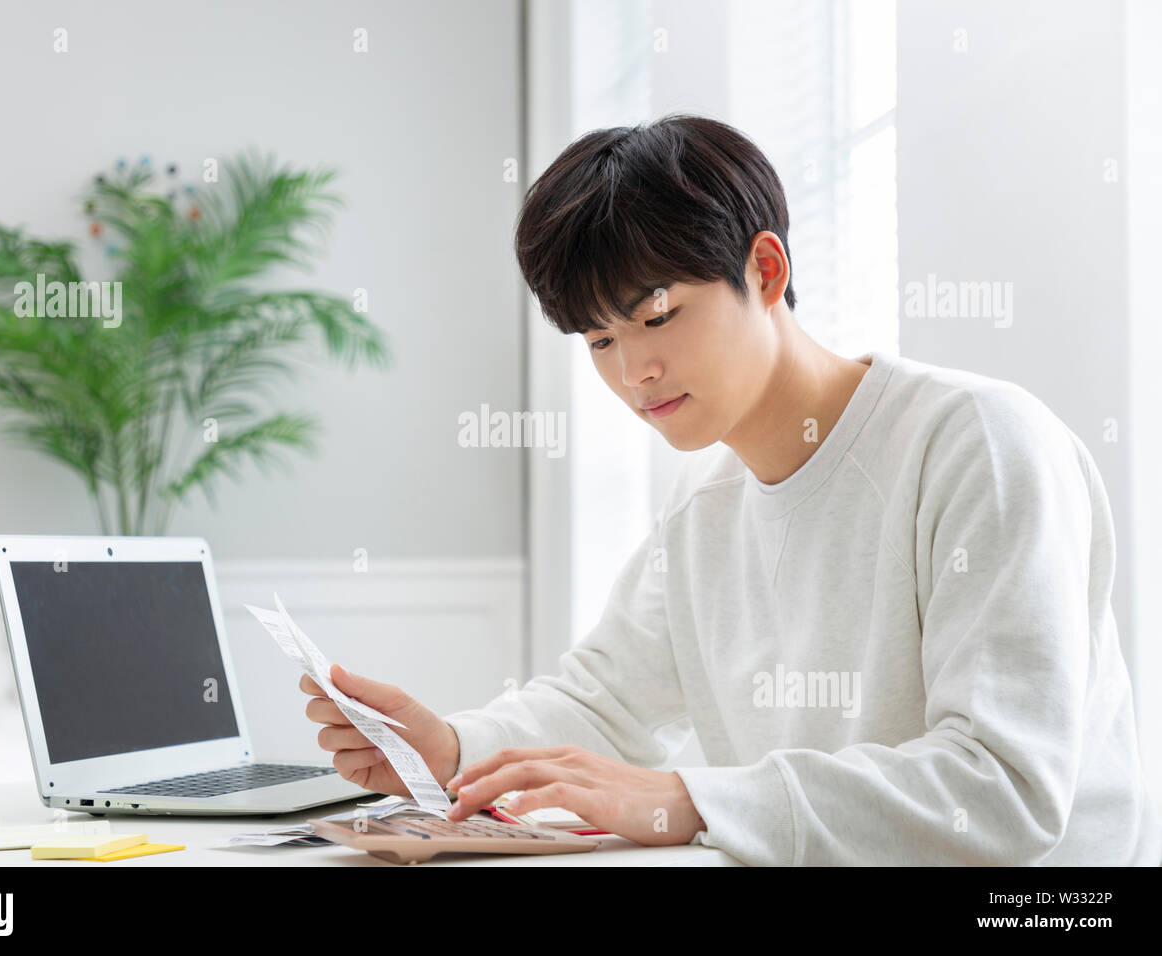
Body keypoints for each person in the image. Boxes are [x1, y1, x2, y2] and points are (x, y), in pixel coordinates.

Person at [299, 113, 1161, 865]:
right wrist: (451, 747)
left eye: (657, 315)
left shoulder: (980, 442)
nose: (635, 370)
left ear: (767, 269)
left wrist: (689, 799)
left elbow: (1003, 788)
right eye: (600, 341)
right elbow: (604, 700)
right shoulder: (707, 504)